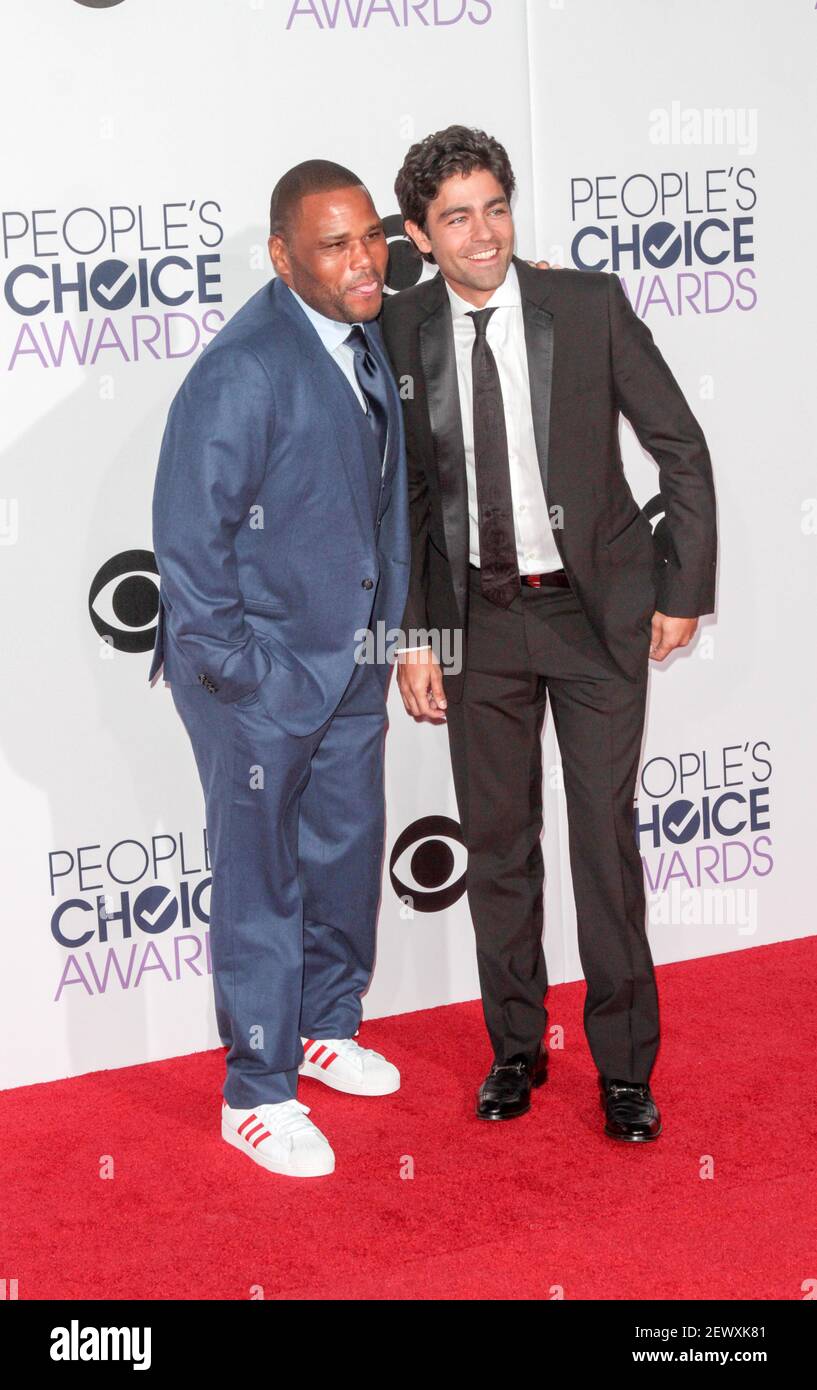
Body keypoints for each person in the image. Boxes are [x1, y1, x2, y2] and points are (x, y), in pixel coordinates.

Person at [381, 125, 717, 1141]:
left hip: (595, 617)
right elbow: (404, 497)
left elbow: (681, 448)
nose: (483, 235)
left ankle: (622, 1068)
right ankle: (515, 1049)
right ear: (419, 234)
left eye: (495, 207)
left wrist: (680, 588)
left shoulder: (586, 306)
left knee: (604, 845)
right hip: (478, 622)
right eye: (457, 218)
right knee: (496, 847)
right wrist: (412, 634)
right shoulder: (402, 333)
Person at [149, 160, 409, 1177]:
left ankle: (323, 1023)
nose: (361, 259)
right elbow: (187, 538)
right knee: (262, 879)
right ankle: (255, 1089)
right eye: (334, 245)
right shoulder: (243, 367)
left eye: (369, 236)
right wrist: (236, 672)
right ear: (281, 255)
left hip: (352, 659)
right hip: (258, 679)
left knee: (344, 850)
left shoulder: (363, 332)